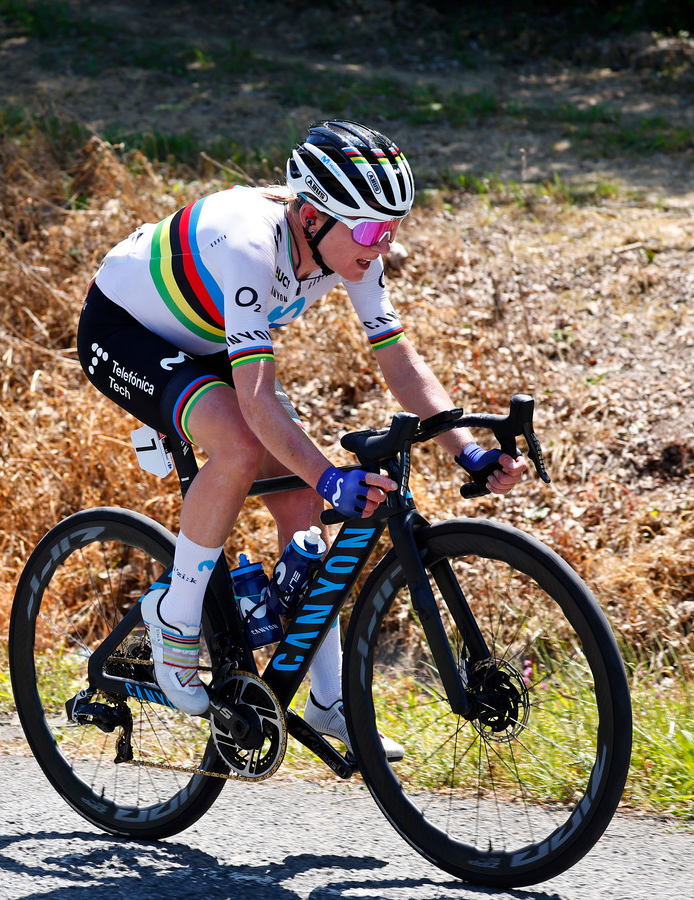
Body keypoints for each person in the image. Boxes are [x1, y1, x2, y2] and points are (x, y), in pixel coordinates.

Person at [78, 121, 527, 759]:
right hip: (126, 331)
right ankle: (175, 615)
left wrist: (468, 450)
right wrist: (331, 475)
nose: (384, 244)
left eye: (393, 228)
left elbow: (400, 364)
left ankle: (329, 700)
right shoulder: (249, 247)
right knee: (239, 445)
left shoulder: (352, 247)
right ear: (313, 216)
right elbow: (256, 402)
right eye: (372, 230)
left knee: (298, 503)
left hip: (210, 338)